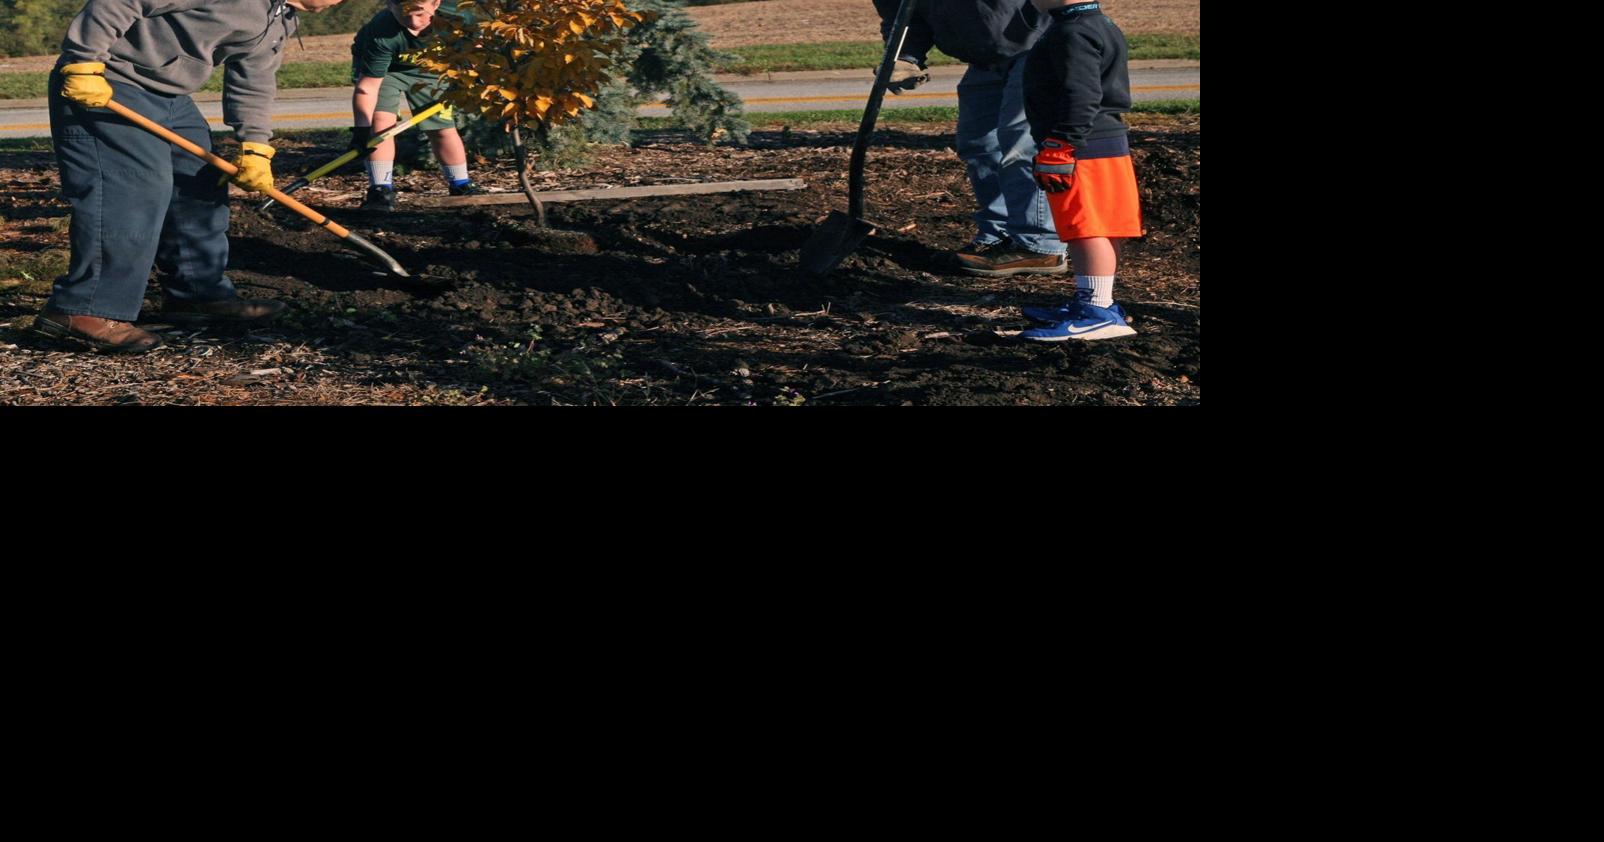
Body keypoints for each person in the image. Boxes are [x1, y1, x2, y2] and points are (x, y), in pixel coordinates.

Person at [32, 0, 348, 353]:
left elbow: (254, 78)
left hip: (170, 96)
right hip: (107, 81)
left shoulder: (280, 18)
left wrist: (256, 147)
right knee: (133, 190)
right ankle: (83, 308)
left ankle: (197, 294)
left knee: (198, 183)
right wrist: (83, 60)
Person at [872, 0, 1066, 277]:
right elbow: (903, 15)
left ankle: (1040, 244)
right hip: (984, 56)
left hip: (1037, 47)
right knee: (979, 144)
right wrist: (906, 57)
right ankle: (999, 234)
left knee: (1021, 144)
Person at [1018, 0, 1143, 341]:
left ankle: (1096, 312)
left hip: (1081, 146)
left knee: (1086, 228)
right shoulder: (1097, 23)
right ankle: (1098, 303)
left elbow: (1082, 94)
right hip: (1104, 140)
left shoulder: (1072, 32)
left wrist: (1061, 144)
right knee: (1100, 226)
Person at [350, 0, 482, 211]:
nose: (413, 22)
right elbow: (368, 88)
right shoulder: (381, 32)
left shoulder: (457, 17)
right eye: (405, 15)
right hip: (387, 71)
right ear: (390, 6)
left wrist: (474, 73)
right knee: (381, 125)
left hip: (431, 69)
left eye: (420, 14)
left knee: (442, 126)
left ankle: (461, 184)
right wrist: (361, 131)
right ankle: (381, 190)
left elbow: (476, 48)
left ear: (436, 3)